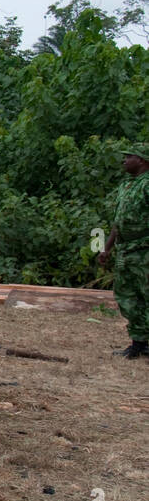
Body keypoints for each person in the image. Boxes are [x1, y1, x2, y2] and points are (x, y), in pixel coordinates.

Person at [98, 146, 149, 359]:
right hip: (125, 251)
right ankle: (139, 343)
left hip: (144, 250)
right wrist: (106, 248)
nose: (125, 160)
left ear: (143, 160)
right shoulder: (126, 186)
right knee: (127, 297)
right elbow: (118, 221)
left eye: (129, 157)